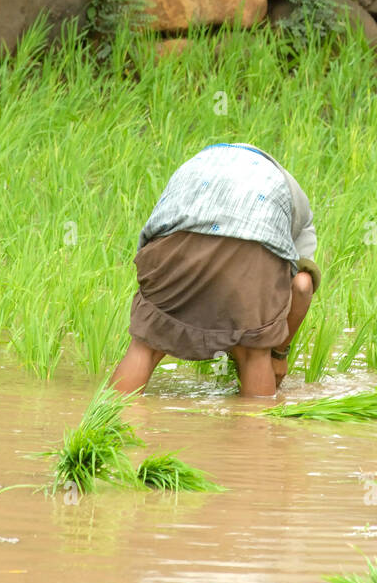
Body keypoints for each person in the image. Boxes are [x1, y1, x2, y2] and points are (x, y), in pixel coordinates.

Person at [110, 143, 321, 398]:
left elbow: (152, 237)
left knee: (146, 344)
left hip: (174, 245)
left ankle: (107, 425)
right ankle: (258, 435)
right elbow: (301, 286)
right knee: (254, 353)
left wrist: (156, 307)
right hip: (254, 251)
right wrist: (277, 352)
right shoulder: (289, 192)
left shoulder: (195, 165)